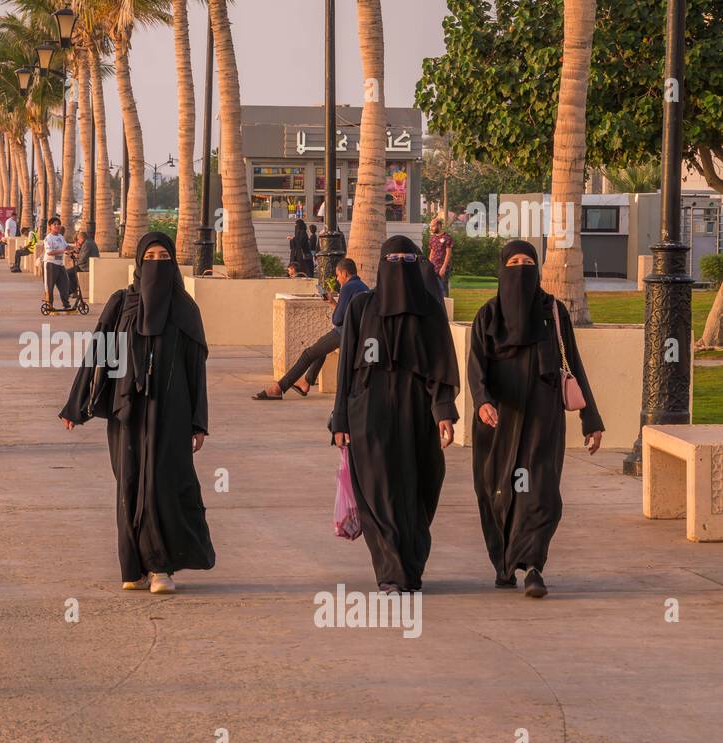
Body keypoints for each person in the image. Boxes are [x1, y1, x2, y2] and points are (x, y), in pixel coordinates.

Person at [60, 232, 215, 594]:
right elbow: (97, 355)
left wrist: (199, 422)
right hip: (126, 411)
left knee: (160, 483)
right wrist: (76, 404)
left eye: (165, 257)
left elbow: (197, 371)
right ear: (139, 263)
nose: (157, 263)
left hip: (172, 413)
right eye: (152, 256)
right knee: (129, 484)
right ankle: (134, 567)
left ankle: (161, 567)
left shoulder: (186, 310)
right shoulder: (121, 304)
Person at [468, 240, 604, 598]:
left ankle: (533, 567)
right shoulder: (488, 316)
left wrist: (591, 419)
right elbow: (476, 368)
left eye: (528, 262)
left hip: (544, 418)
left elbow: (572, 363)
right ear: (502, 269)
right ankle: (504, 563)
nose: (521, 269)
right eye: (513, 263)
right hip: (499, 419)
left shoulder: (552, 312)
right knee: (497, 491)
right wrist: (482, 402)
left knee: (540, 491)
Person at [331, 236, 460, 594]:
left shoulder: (430, 310)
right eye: (394, 258)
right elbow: (346, 369)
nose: (400, 265)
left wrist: (443, 412)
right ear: (382, 264)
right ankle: (391, 572)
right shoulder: (361, 307)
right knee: (378, 493)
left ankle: (411, 564)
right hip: (367, 413)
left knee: (419, 489)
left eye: (408, 258)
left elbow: (441, 366)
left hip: (417, 412)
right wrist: (340, 419)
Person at [253, 257, 367, 399]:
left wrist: (335, 309)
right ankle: (306, 382)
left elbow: (338, 319)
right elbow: (349, 314)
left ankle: (278, 388)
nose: (337, 279)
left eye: (338, 275)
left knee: (308, 354)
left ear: (344, 273)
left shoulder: (348, 287)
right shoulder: (362, 286)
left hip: (345, 333)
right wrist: (332, 303)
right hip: (356, 332)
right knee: (320, 348)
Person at [43, 219, 70, 309]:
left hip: (60, 264)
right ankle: (49, 305)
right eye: (55, 224)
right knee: (50, 286)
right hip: (51, 264)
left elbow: (66, 246)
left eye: (59, 224)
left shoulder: (61, 237)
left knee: (64, 284)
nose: (57, 226)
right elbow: (49, 252)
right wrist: (63, 251)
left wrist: (75, 248)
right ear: (50, 226)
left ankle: (66, 304)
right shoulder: (48, 238)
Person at [427, 218, 453, 298]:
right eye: (430, 226)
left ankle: (445, 307)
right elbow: (432, 252)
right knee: (433, 287)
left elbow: (448, 254)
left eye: (433, 226)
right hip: (433, 267)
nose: (431, 228)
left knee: (444, 288)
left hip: (443, 267)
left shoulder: (447, 238)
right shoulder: (432, 238)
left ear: (439, 225)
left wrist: (444, 268)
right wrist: (428, 266)